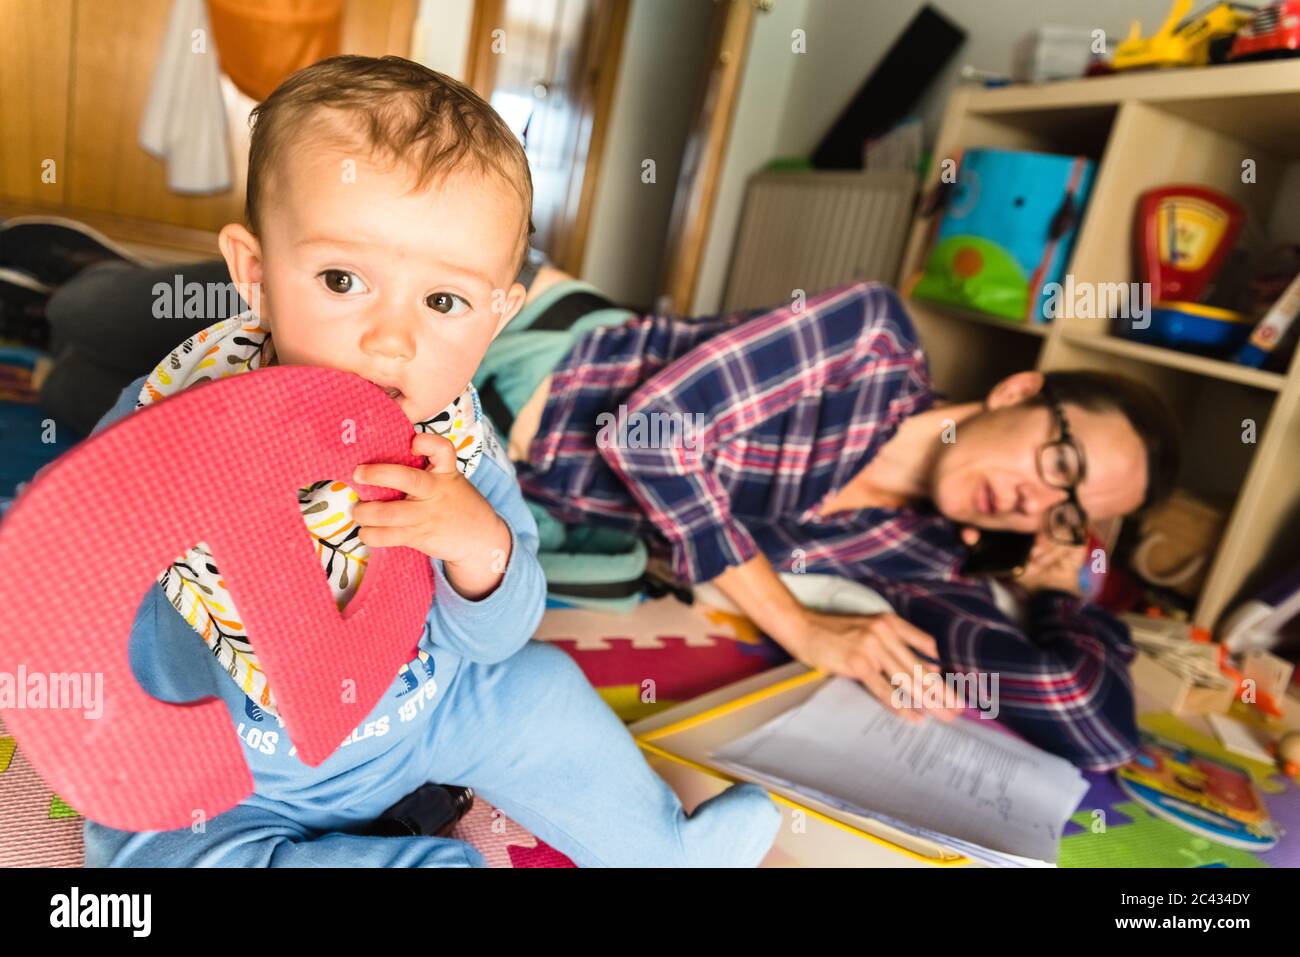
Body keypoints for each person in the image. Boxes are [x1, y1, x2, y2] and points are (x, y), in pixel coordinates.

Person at [79, 55, 779, 868]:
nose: (393, 339)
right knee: (144, 839)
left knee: (538, 690)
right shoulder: (170, 410)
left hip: (426, 718)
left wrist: (476, 543)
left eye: (443, 301)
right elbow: (72, 559)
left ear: (496, 315)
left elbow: (500, 633)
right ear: (257, 276)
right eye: (344, 279)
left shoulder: (450, 440)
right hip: (229, 766)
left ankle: (666, 845)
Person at [477, 271, 1182, 770]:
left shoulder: (925, 551)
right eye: (1060, 463)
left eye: (1065, 513)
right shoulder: (871, 340)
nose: (1034, 501)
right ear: (1019, 390)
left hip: (544, 506)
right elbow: (650, 433)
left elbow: (1091, 721)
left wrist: (1061, 598)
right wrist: (803, 627)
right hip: (528, 376)